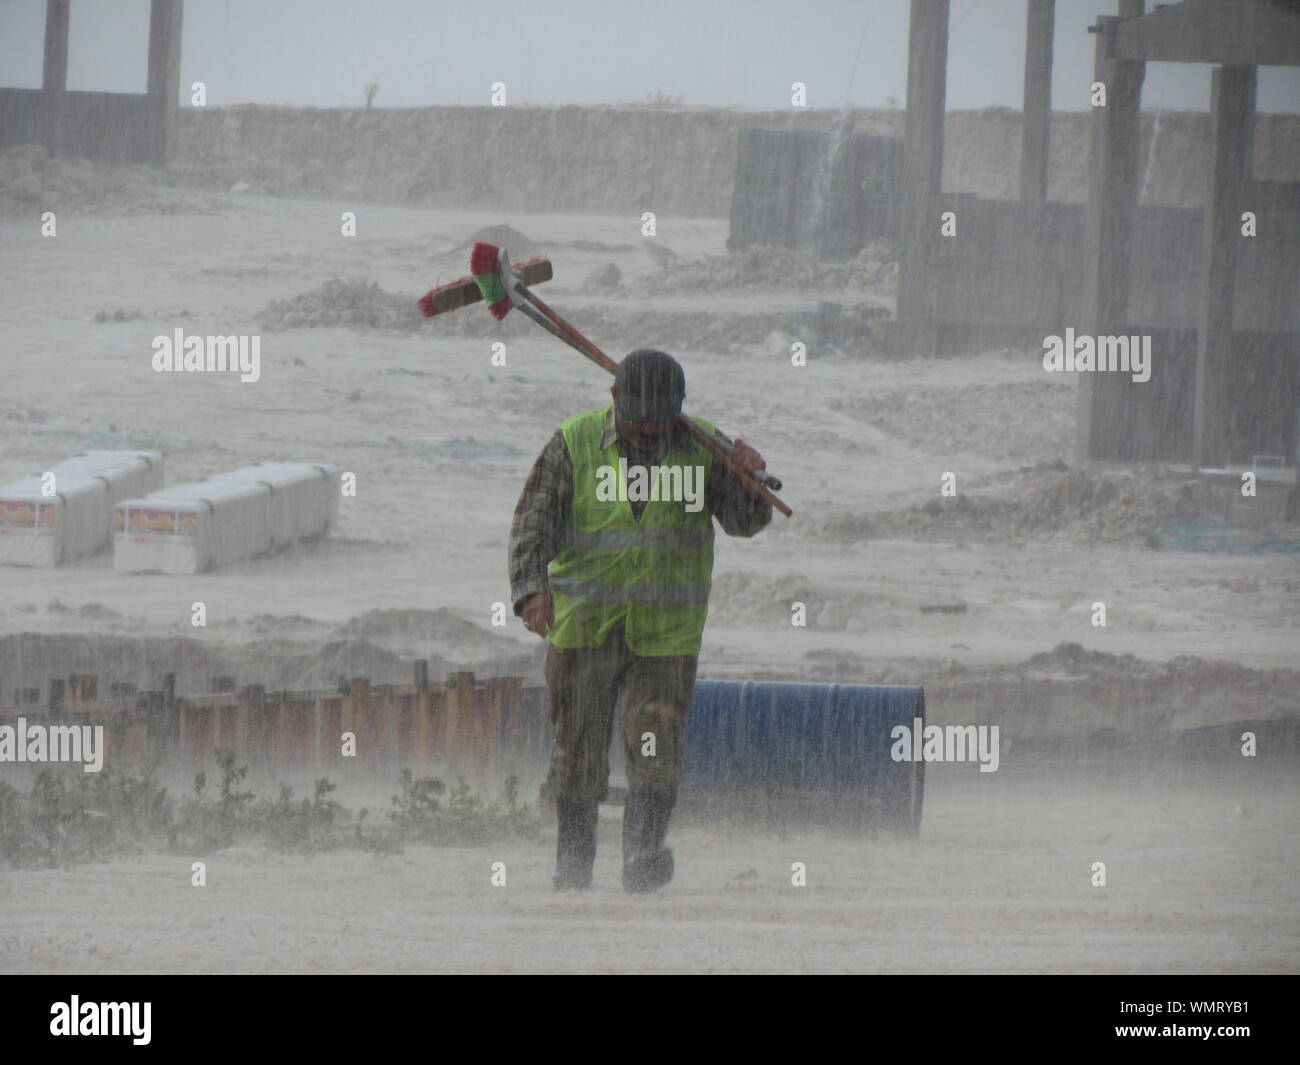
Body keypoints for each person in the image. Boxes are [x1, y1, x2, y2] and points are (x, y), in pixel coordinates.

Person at [508, 349, 772, 892]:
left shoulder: (705, 449)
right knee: (577, 754)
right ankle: (572, 871)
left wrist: (749, 481)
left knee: (654, 745)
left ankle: (642, 862)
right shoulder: (573, 444)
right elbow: (533, 523)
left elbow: (746, 524)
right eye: (638, 419)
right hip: (584, 628)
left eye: (660, 419)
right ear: (614, 402)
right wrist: (532, 591)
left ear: (678, 408)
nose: (649, 429)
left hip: (666, 636)